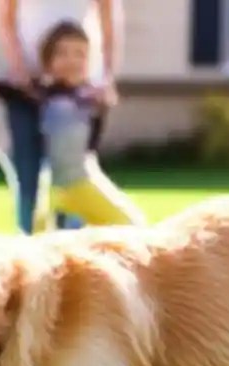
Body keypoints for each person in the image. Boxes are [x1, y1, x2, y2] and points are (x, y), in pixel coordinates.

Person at [0, 0, 123, 234]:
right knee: (30, 180)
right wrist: (19, 70)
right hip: (27, 88)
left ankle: (72, 244)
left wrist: (107, 76)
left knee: (72, 173)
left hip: (76, 88)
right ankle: (31, 246)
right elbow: (5, 19)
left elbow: (109, 20)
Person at [17, 21, 144, 229]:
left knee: (131, 224)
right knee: (43, 240)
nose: (71, 60)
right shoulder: (42, 93)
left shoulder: (90, 96)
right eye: (62, 53)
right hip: (53, 185)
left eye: (80, 54)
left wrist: (101, 102)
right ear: (48, 61)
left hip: (82, 180)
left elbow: (91, 144)